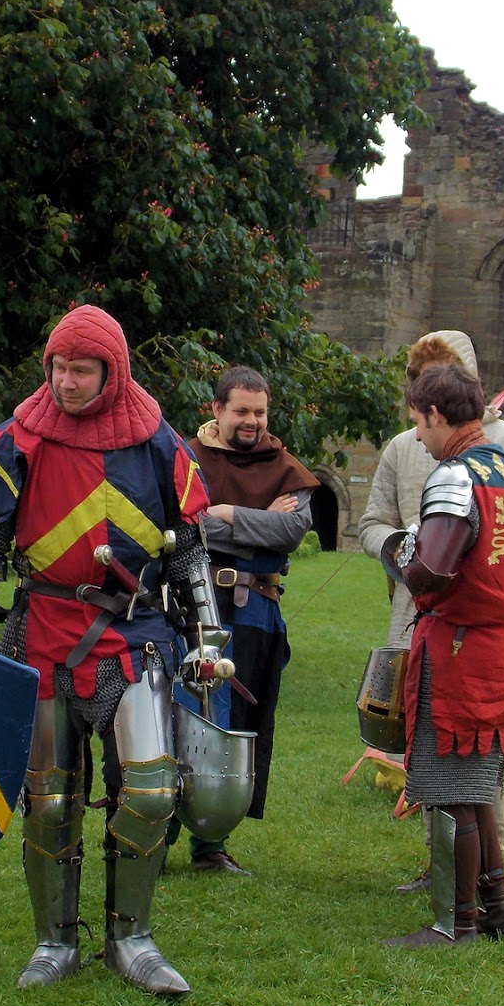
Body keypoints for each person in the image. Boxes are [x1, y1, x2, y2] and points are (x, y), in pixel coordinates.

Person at [0, 304, 223, 996]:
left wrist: (208, 635)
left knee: (152, 791)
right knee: (48, 801)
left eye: (81, 370)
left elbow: (189, 548)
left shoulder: (157, 442)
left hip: (135, 635)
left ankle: (132, 938)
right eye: (58, 368)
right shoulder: (18, 438)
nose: (66, 382)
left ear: (113, 371)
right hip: (43, 632)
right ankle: (55, 941)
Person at [358, 331, 504, 900]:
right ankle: (482, 889)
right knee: (455, 768)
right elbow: (375, 526)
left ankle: (465, 904)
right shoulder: (421, 451)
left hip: (461, 633)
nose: (418, 430)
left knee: (463, 774)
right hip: (481, 631)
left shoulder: (487, 460)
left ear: (443, 406)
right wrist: (400, 547)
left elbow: (453, 562)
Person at [380, 362, 504, 946]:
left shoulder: (457, 476)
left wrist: (399, 551)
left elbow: (429, 572)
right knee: (476, 787)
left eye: (418, 424)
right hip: (503, 646)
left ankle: (457, 922)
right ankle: (496, 904)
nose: (418, 437)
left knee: (451, 789)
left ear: (436, 415)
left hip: (461, 651)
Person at [179, 366, 318, 875]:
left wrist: (229, 514)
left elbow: (292, 531)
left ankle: (211, 843)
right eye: (241, 411)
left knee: (239, 722)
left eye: (259, 412)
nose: (251, 421)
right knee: (184, 714)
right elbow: (187, 528)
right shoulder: (188, 459)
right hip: (192, 605)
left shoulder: (285, 467)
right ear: (217, 409)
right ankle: (158, 830)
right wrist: (260, 520)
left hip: (256, 611)